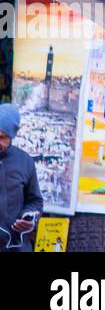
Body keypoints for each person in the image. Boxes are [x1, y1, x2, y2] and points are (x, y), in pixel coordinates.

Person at [0, 104, 43, 253]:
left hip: (17, 248)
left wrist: (30, 218)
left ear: (12, 135)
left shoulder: (25, 161)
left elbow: (35, 201)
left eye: (2, 137)